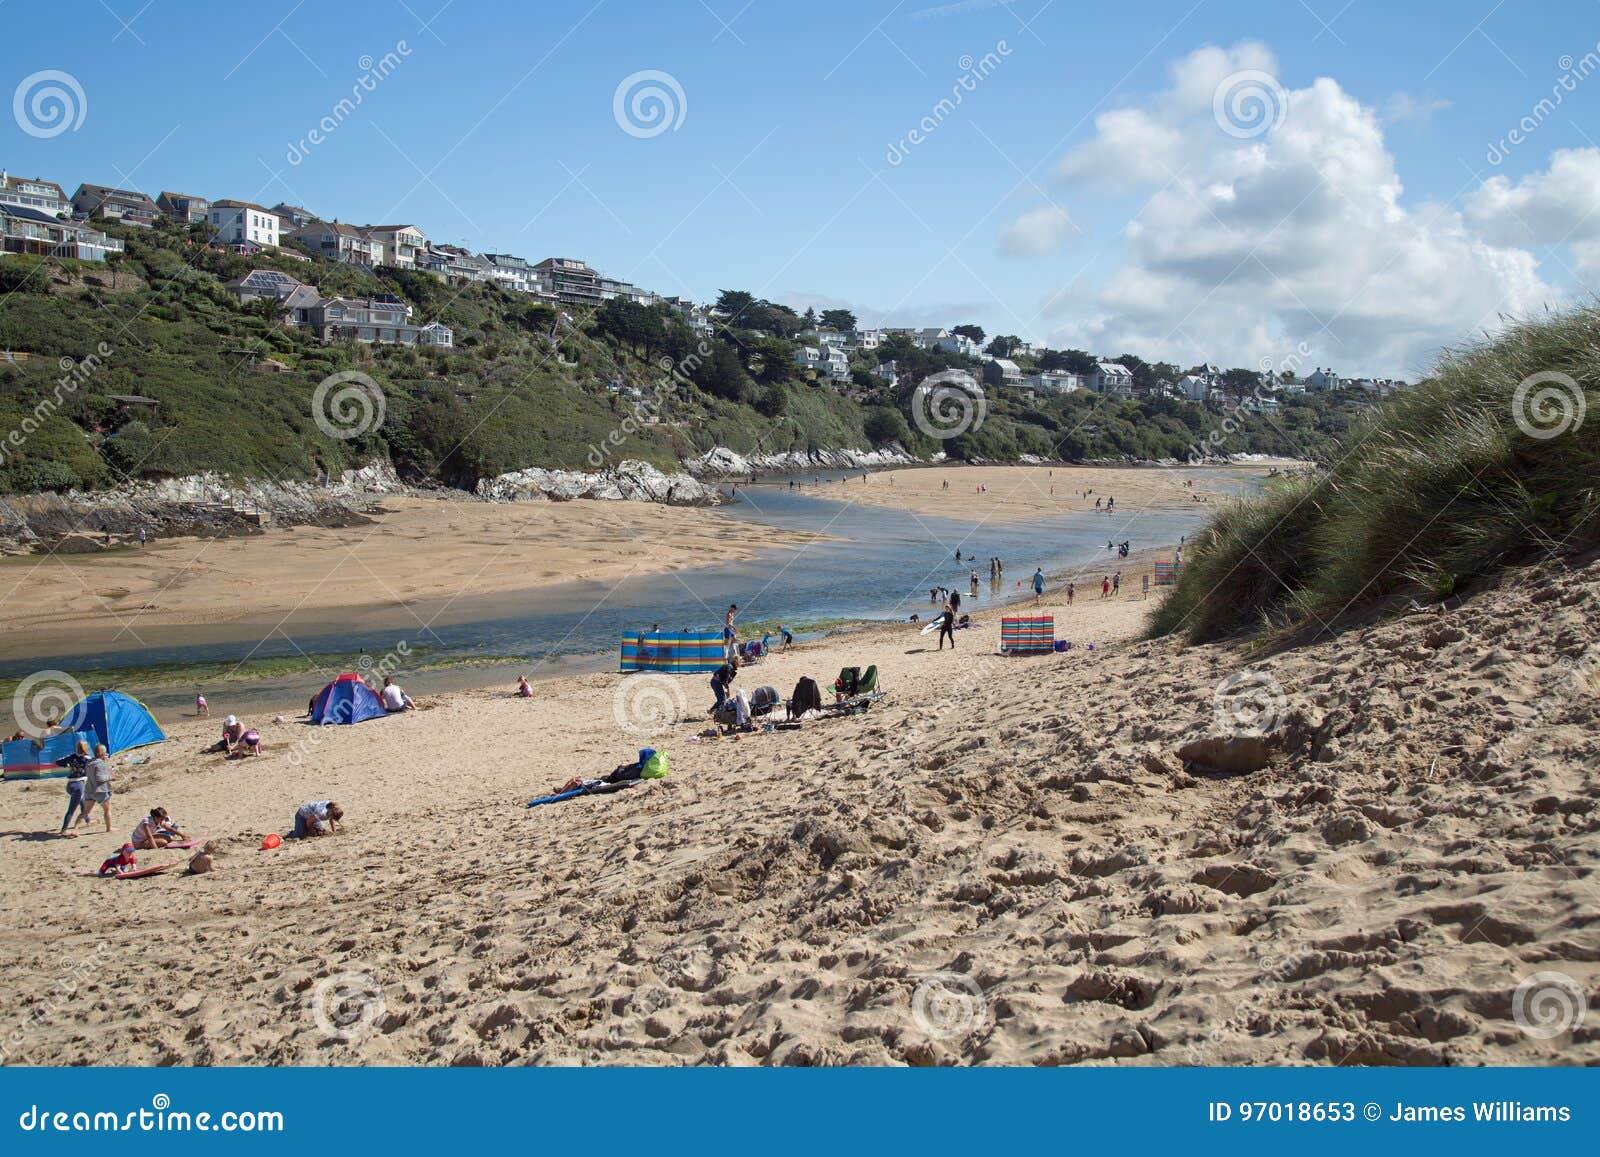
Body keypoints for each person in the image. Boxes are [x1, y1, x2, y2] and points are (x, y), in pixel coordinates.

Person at [55, 738, 93, 837]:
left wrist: (66, 764)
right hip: (79, 785)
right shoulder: (87, 759)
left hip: (70, 784)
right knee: (71, 809)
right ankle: (64, 829)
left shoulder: (71, 757)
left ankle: (88, 820)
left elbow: (58, 762)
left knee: (82, 802)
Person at [82, 744, 114, 833]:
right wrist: (110, 777)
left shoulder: (89, 762)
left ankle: (75, 829)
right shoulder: (100, 764)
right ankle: (109, 828)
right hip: (100, 790)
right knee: (107, 809)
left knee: (85, 812)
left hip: (89, 789)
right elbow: (100, 778)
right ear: (103, 753)